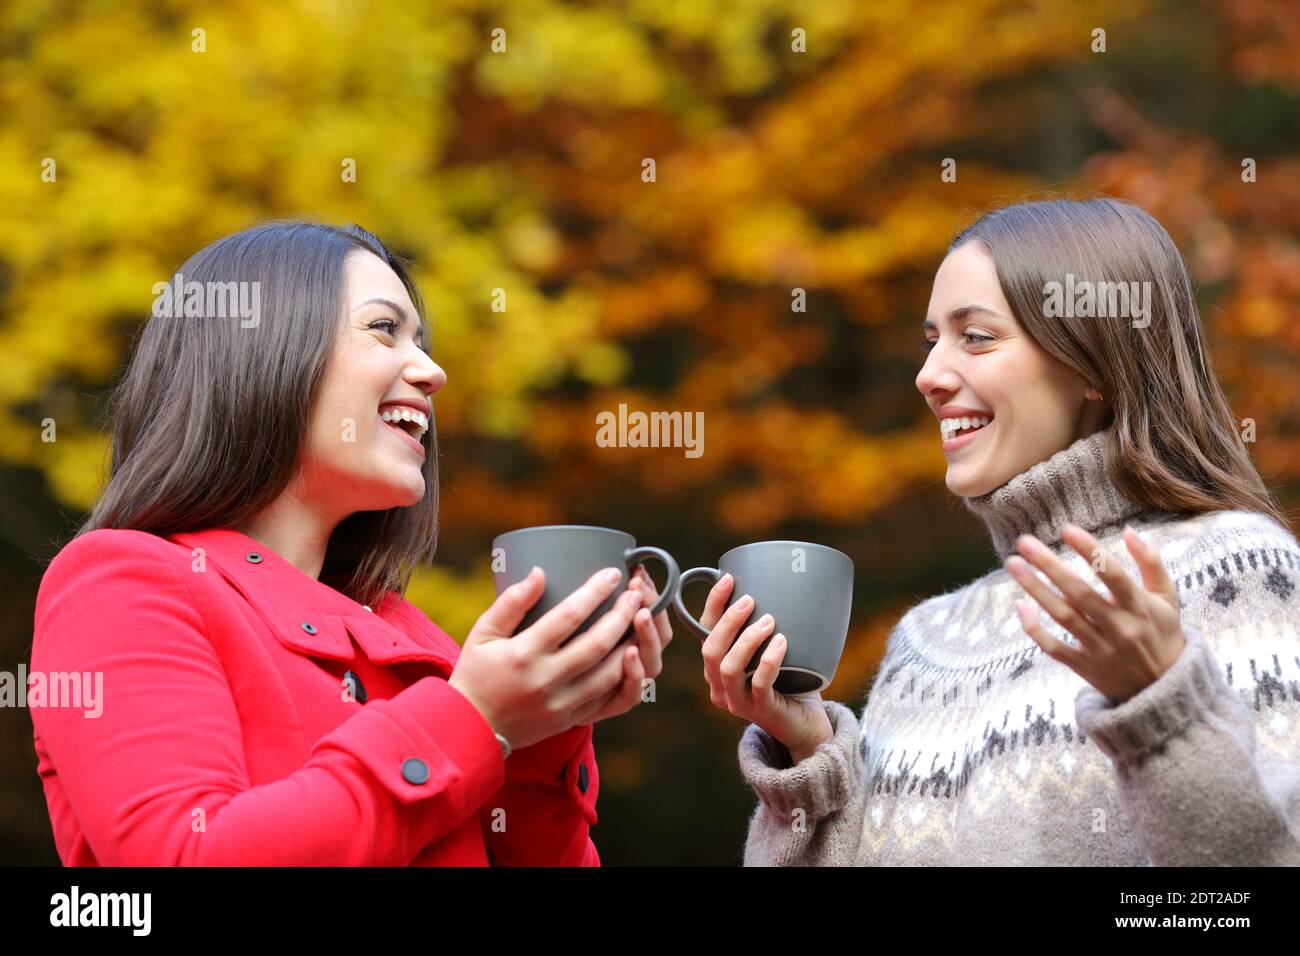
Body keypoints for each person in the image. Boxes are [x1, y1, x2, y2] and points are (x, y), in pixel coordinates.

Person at [29, 220, 673, 865]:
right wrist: (477, 719)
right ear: (259, 350)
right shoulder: (122, 580)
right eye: (383, 329)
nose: (431, 371)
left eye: (420, 340)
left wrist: (541, 731)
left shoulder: (414, 638)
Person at [696, 197, 1300, 865]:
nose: (928, 376)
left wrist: (1162, 708)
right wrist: (810, 765)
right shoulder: (926, 645)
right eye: (931, 342)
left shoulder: (1236, 575)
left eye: (976, 337)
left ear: (1095, 362)